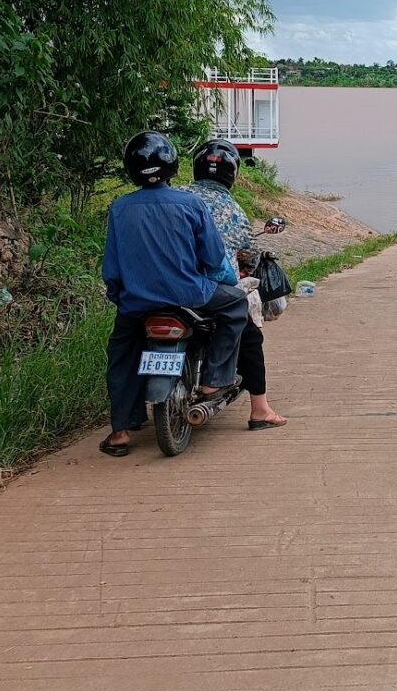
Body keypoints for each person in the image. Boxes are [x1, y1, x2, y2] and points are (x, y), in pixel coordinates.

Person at [99, 132, 250, 456]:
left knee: (122, 355)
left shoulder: (120, 208)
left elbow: (111, 269)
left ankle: (121, 431)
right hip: (191, 296)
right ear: (172, 165)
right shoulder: (190, 204)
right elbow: (213, 258)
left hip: (137, 304)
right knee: (237, 305)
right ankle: (214, 380)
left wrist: (122, 298)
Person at [181, 140, 288, 430]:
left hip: (162, 286)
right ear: (233, 173)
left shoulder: (176, 198)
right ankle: (259, 410)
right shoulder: (233, 211)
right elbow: (248, 257)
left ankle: (130, 418)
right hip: (208, 290)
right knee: (249, 335)